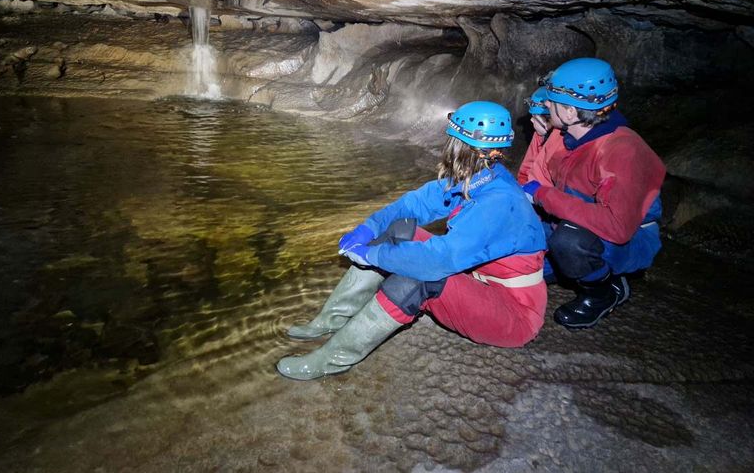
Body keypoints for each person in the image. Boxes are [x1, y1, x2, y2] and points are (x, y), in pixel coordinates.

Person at [277, 101, 547, 381]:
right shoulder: (482, 178)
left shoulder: (500, 202)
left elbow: (435, 262)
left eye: (452, 140)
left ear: (464, 148)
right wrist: (369, 229)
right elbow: (414, 205)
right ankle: (331, 319)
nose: (447, 146)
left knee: (421, 275)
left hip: (512, 314)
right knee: (400, 228)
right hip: (481, 286)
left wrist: (374, 255)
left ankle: (333, 358)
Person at [522, 58, 665, 329]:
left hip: (628, 237)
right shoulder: (563, 137)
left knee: (570, 242)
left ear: (569, 112)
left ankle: (603, 292)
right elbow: (536, 181)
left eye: (552, 101)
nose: (546, 105)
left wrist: (544, 196)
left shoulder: (622, 151)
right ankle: (560, 262)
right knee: (520, 244)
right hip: (571, 220)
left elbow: (617, 226)